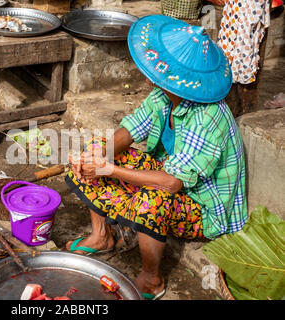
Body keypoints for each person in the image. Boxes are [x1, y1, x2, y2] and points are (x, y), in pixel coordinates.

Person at [64, 15, 248, 300]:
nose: (152, 73)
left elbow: (172, 183)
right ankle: (102, 236)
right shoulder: (165, 94)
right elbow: (131, 128)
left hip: (203, 204)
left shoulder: (209, 117)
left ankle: (152, 280)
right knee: (95, 147)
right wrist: (97, 157)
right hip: (168, 171)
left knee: (152, 200)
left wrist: (108, 170)